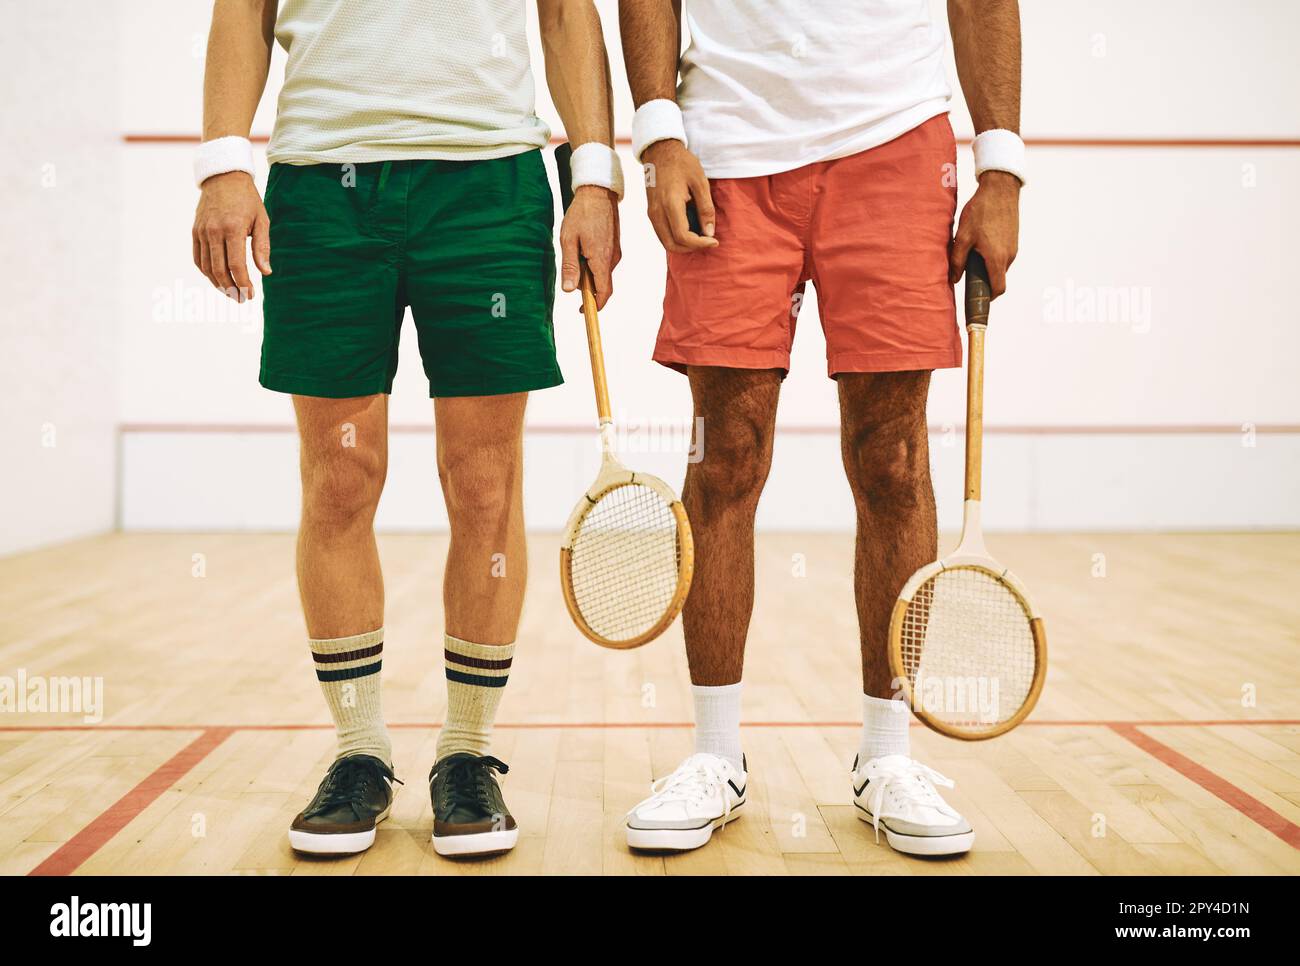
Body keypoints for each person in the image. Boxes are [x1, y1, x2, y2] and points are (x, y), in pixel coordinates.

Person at [191, 0, 622, 858]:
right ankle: (359, 754)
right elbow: (243, 8)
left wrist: (596, 175)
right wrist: (221, 163)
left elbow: (568, 13)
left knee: (485, 481)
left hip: (489, 181)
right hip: (321, 186)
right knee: (340, 477)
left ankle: (466, 754)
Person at [619, 0, 1024, 855]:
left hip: (897, 141)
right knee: (724, 452)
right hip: (726, 144)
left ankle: (888, 755)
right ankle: (713, 755)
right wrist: (658, 134)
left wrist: (1001, 170)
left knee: (895, 459)